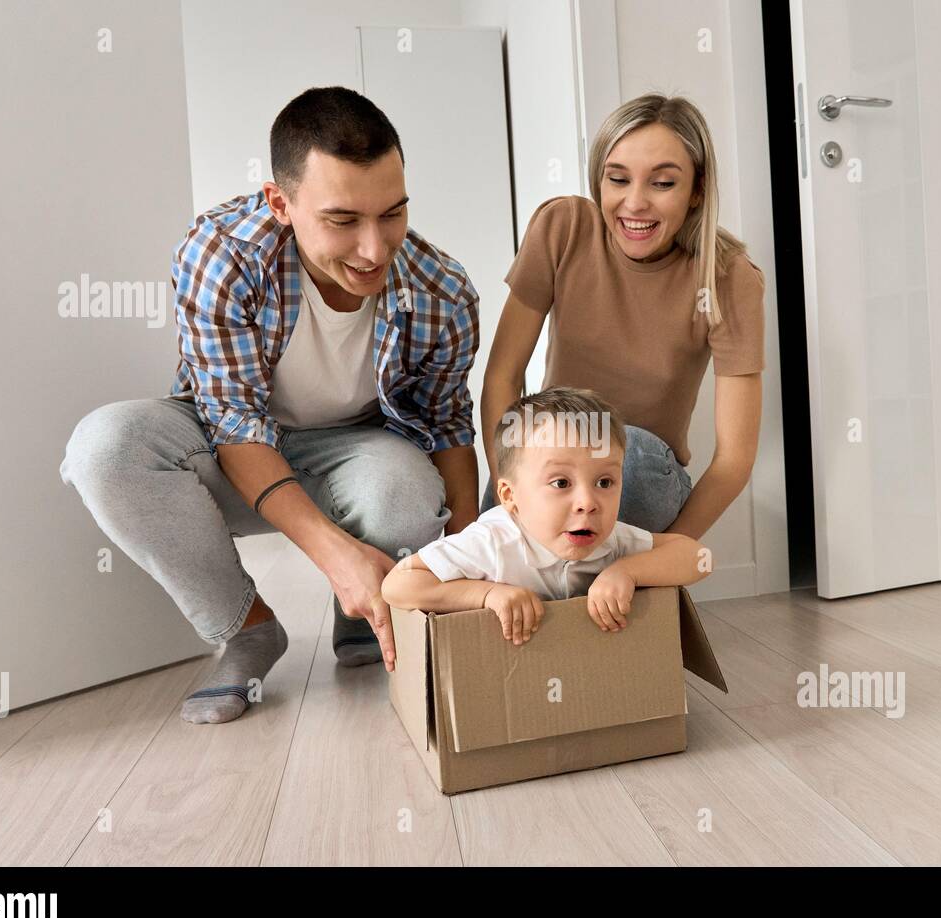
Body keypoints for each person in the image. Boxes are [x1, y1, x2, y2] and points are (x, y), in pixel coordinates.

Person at [59, 87, 481, 724]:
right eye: (343, 220)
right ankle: (248, 629)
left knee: (408, 493)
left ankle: (366, 611)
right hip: (224, 448)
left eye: (392, 213)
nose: (374, 249)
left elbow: (447, 427)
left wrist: (468, 566)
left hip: (351, 453)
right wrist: (337, 558)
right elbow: (234, 426)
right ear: (281, 204)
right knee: (105, 448)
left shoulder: (440, 293)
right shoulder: (223, 252)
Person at [480, 93, 766, 538]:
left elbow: (735, 459)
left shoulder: (728, 277)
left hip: (642, 467)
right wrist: (512, 492)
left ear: (697, 190)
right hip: (553, 456)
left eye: (662, 183)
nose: (634, 203)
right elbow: (502, 375)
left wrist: (669, 552)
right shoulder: (563, 227)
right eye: (618, 179)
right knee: (523, 488)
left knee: (616, 457)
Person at [382, 387, 710, 643]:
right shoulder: (493, 542)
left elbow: (698, 558)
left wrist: (626, 572)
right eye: (561, 483)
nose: (587, 502)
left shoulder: (612, 541)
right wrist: (487, 594)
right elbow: (397, 585)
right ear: (510, 497)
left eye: (604, 482)